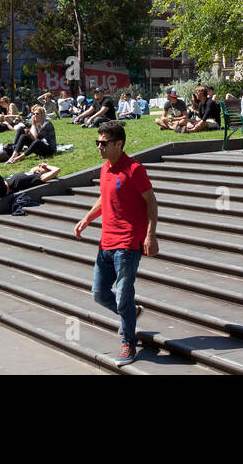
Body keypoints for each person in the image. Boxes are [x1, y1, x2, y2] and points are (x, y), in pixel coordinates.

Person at [73, 121, 159, 367]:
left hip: (129, 243)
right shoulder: (105, 169)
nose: (99, 147)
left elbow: (151, 203)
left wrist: (151, 235)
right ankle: (131, 312)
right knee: (99, 294)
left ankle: (128, 341)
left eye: (104, 143)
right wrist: (87, 219)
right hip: (106, 242)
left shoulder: (134, 169)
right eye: (97, 142)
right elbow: (105, 198)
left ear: (118, 144)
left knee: (123, 294)